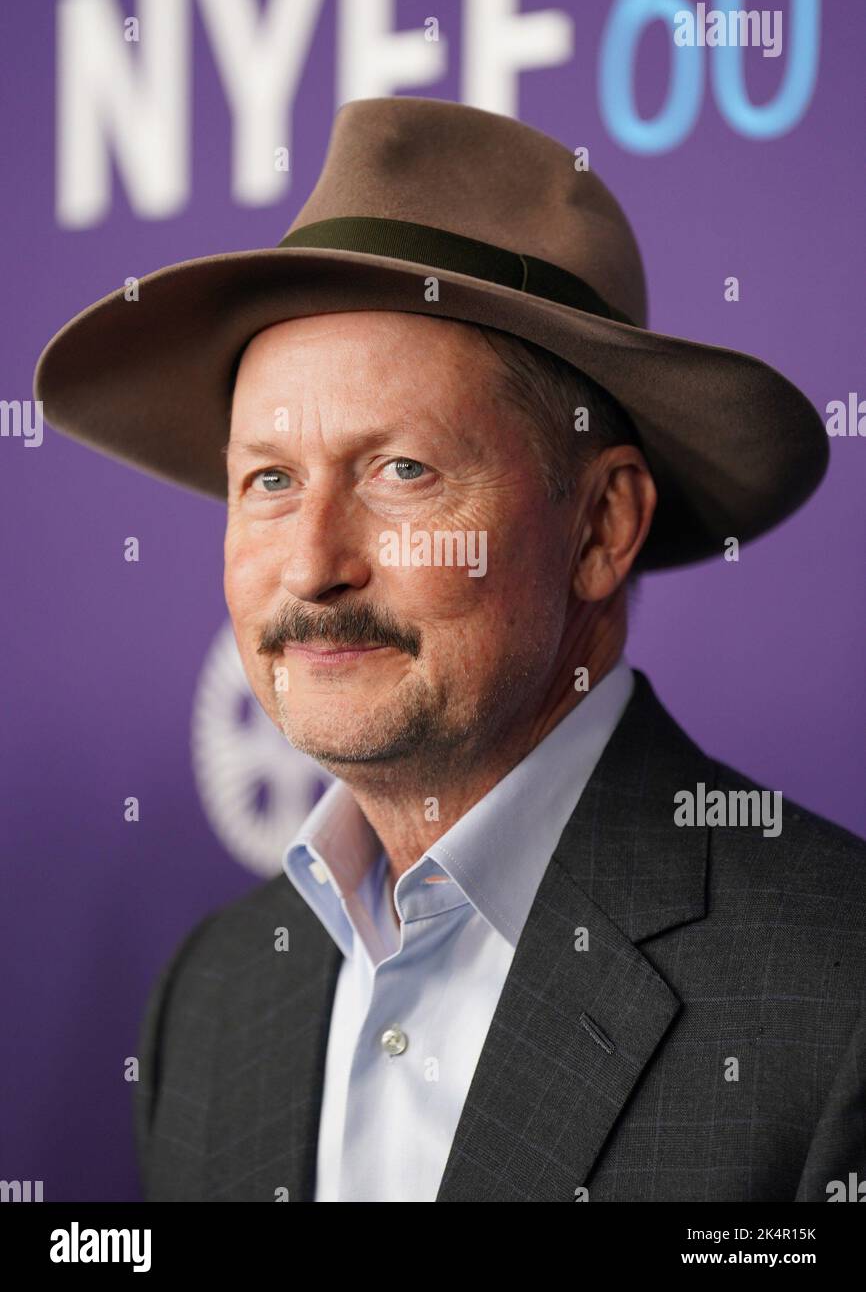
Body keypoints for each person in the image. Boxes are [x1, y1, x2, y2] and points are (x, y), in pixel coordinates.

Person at [34, 96, 866, 1203]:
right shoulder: (213, 996)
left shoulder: (838, 993)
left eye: (401, 472)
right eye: (270, 480)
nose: (313, 565)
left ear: (600, 526)